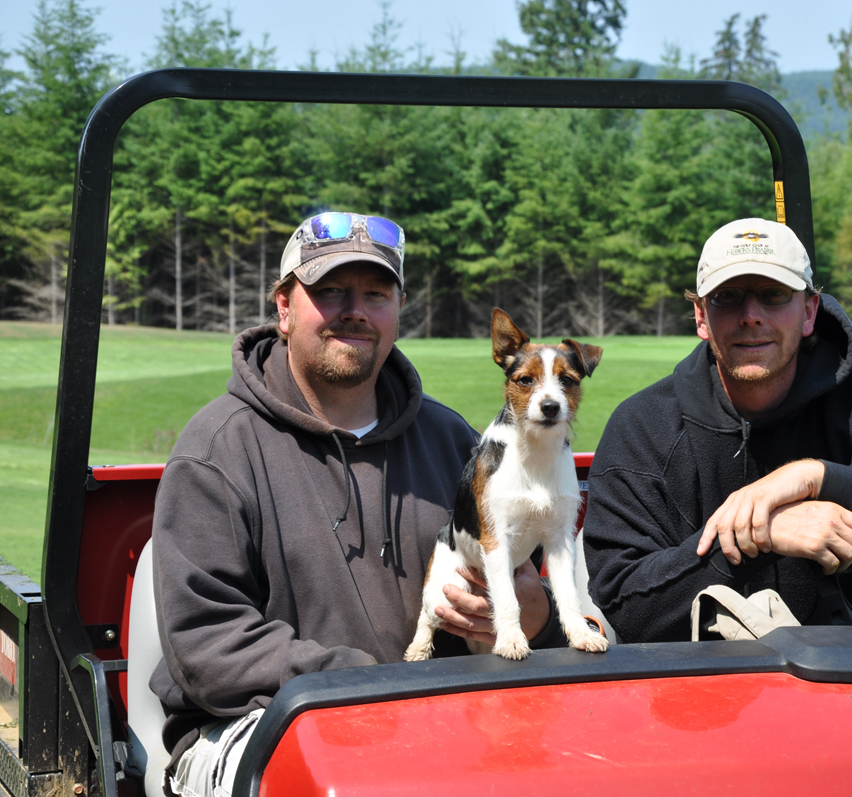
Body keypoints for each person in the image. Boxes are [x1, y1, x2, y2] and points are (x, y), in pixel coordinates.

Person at [150, 212, 565, 797]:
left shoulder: (456, 442)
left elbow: (524, 587)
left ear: (397, 310)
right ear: (284, 306)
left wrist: (535, 615)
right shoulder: (217, 451)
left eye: (376, 293)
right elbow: (208, 649)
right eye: (330, 291)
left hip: (434, 713)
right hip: (256, 721)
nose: (356, 310)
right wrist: (364, 683)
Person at [582, 218, 852, 642]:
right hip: (702, 692)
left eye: (773, 295)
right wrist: (763, 535)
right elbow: (624, 607)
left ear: (810, 311)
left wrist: (822, 478)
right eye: (729, 297)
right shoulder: (642, 427)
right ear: (702, 316)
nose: (751, 316)